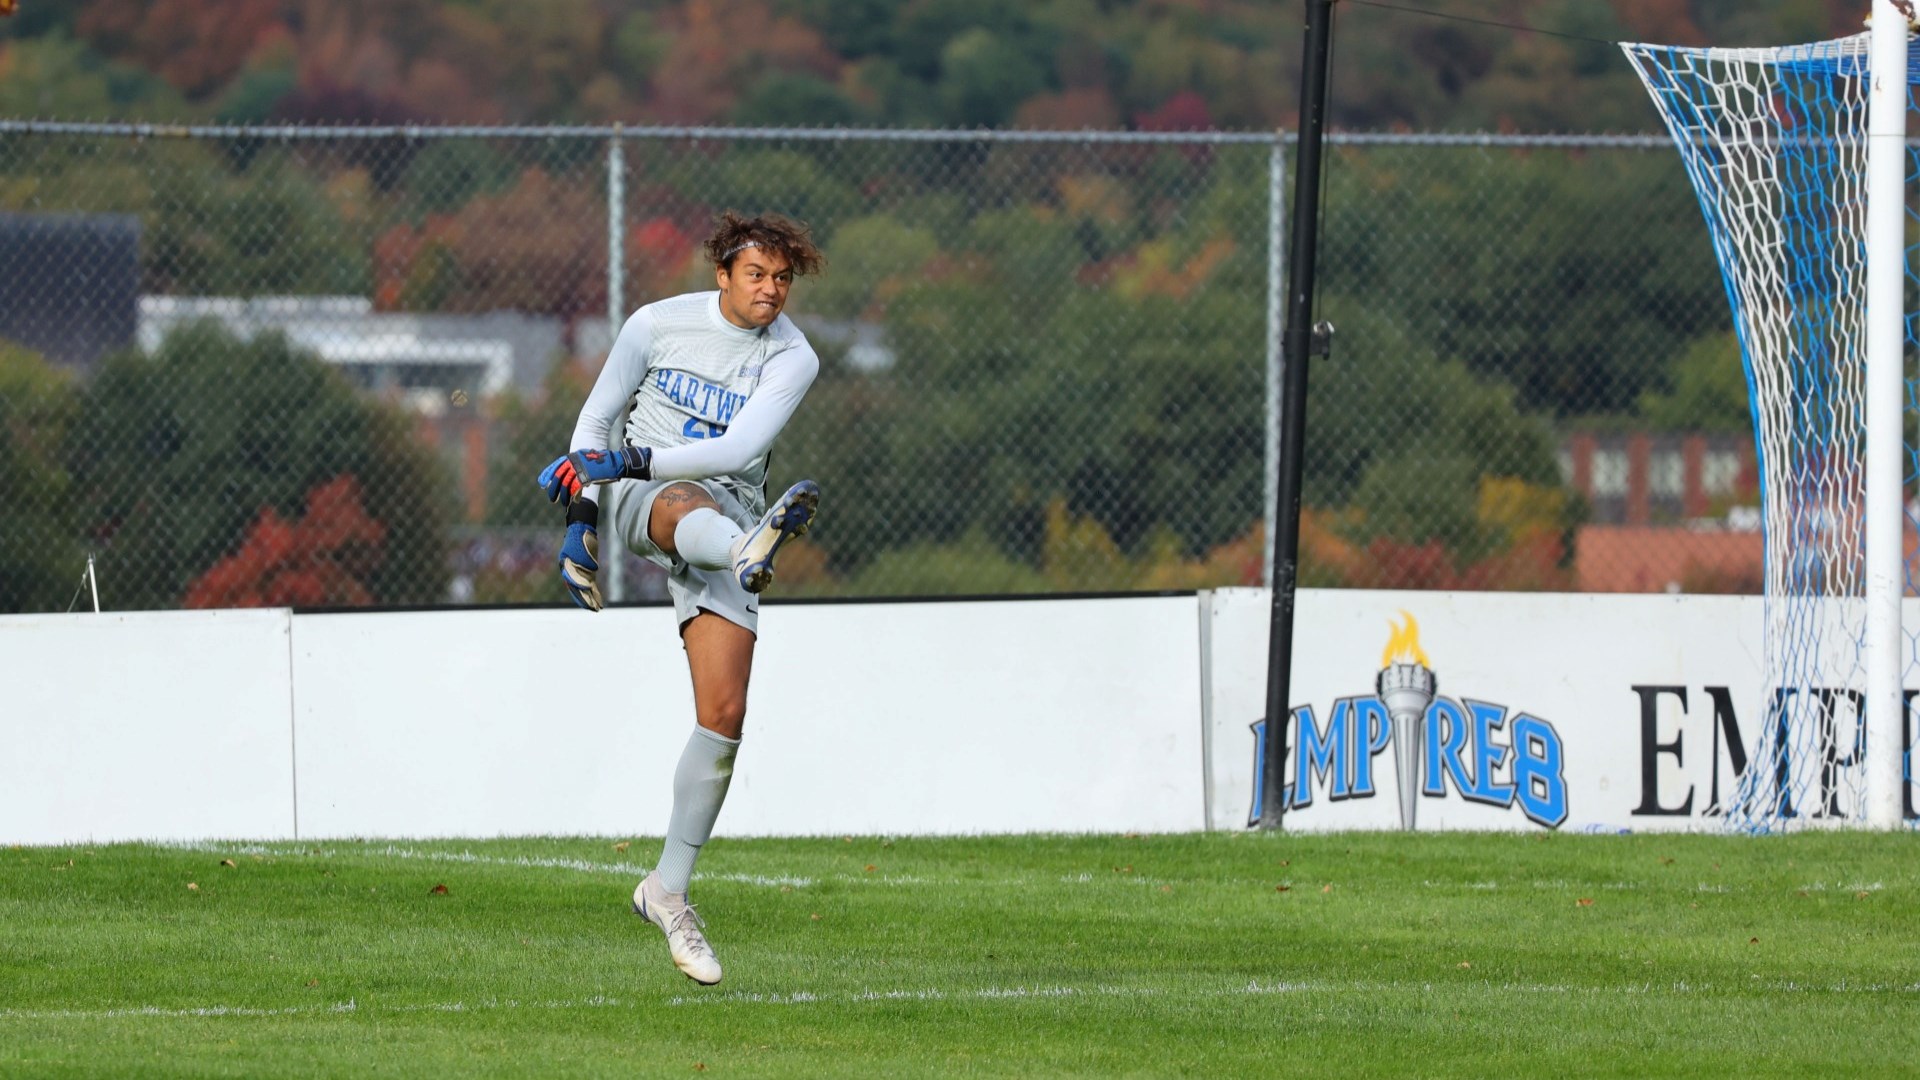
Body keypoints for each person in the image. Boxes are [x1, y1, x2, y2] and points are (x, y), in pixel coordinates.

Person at [536, 210, 825, 985]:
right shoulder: (655, 325)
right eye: (756, 275)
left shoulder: (794, 358)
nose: (770, 291)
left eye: (782, 280)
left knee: (723, 718)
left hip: (729, 502)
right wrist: (584, 517)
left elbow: (739, 451)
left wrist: (629, 453)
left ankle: (666, 891)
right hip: (647, 494)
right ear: (722, 274)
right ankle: (748, 551)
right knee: (683, 501)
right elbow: (594, 421)